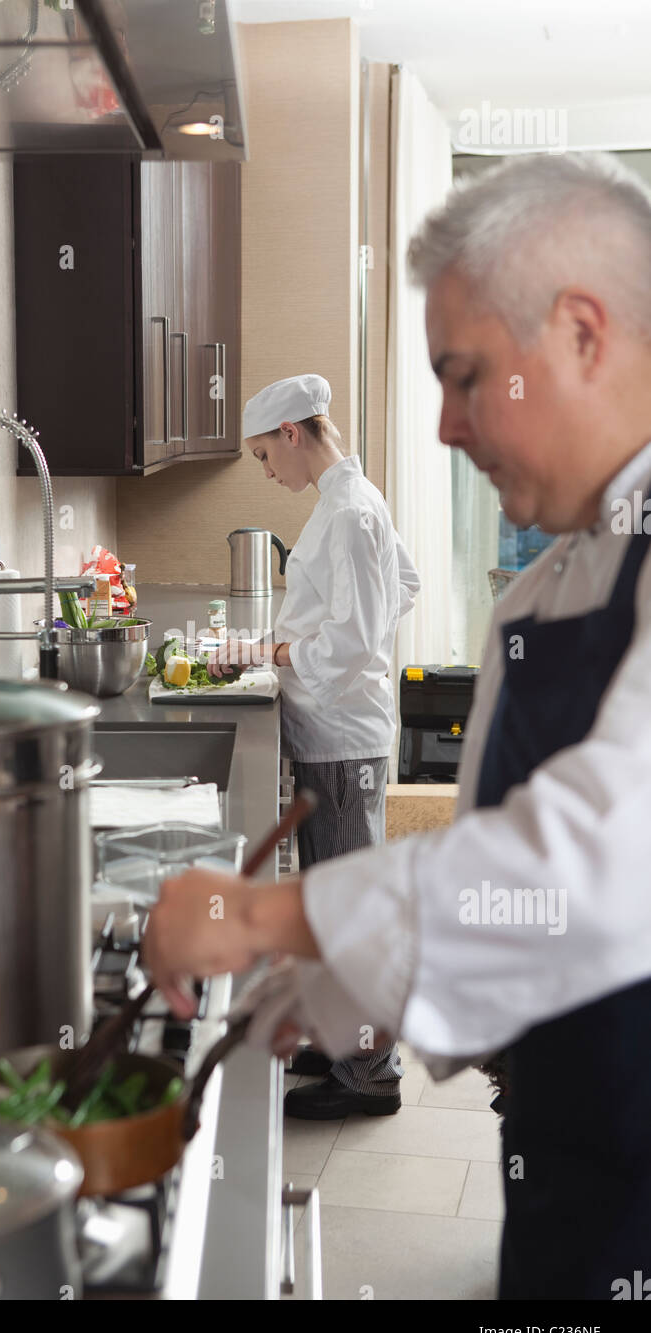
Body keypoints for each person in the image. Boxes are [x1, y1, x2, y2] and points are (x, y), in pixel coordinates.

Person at [146, 151, 651, 1300]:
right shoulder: (555, 581)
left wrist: (261, 909)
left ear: (579, 334)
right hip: (571, 1145)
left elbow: (591, 857)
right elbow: (506, 885)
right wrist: (307, 987)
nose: (441, 428)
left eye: (465, 377)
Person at [207, 375, 419, 1119]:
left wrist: (272, 650)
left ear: (293, 433)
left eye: (266, 456)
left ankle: (371, 1075)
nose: (268, 473)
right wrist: (284, 647)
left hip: (343, 736)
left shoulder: (351, 513)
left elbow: (357, 642)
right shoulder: (348, 502)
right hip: (335, 728)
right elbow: (408, 584)